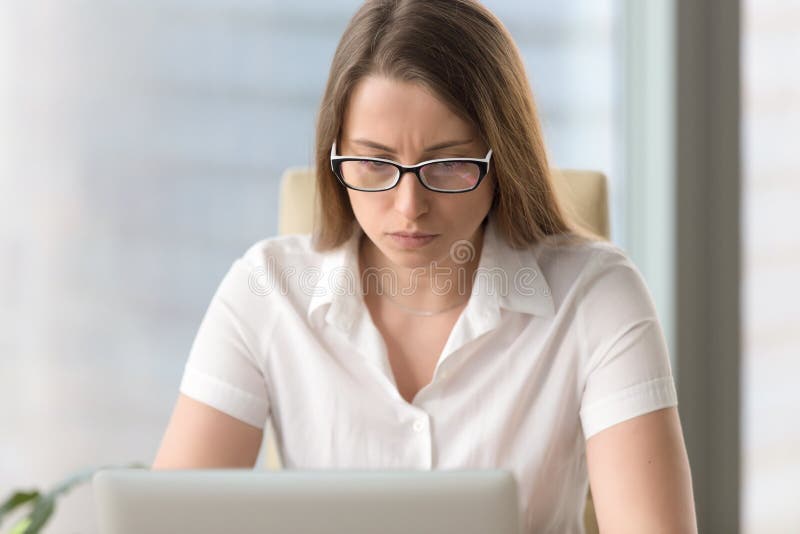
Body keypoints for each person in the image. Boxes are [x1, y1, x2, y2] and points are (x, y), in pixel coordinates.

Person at [153, 0, 698, 532]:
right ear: (334, 155)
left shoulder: (596, 295)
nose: (409, 206)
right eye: (373, 162)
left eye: (449, 164)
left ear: (502, 158)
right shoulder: (265, 291)